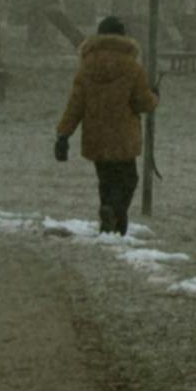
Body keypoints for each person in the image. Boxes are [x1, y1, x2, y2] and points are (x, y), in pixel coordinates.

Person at [53, 14, 158, 237]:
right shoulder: (132, 67)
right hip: (123, 136)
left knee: (106, 180)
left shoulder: (86, 67)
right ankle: (115, 213)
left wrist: (63, 134)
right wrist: (155, 96)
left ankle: (108, 222)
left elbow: (75, 105)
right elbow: (143, 103)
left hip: (96, 136)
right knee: (128, 180)